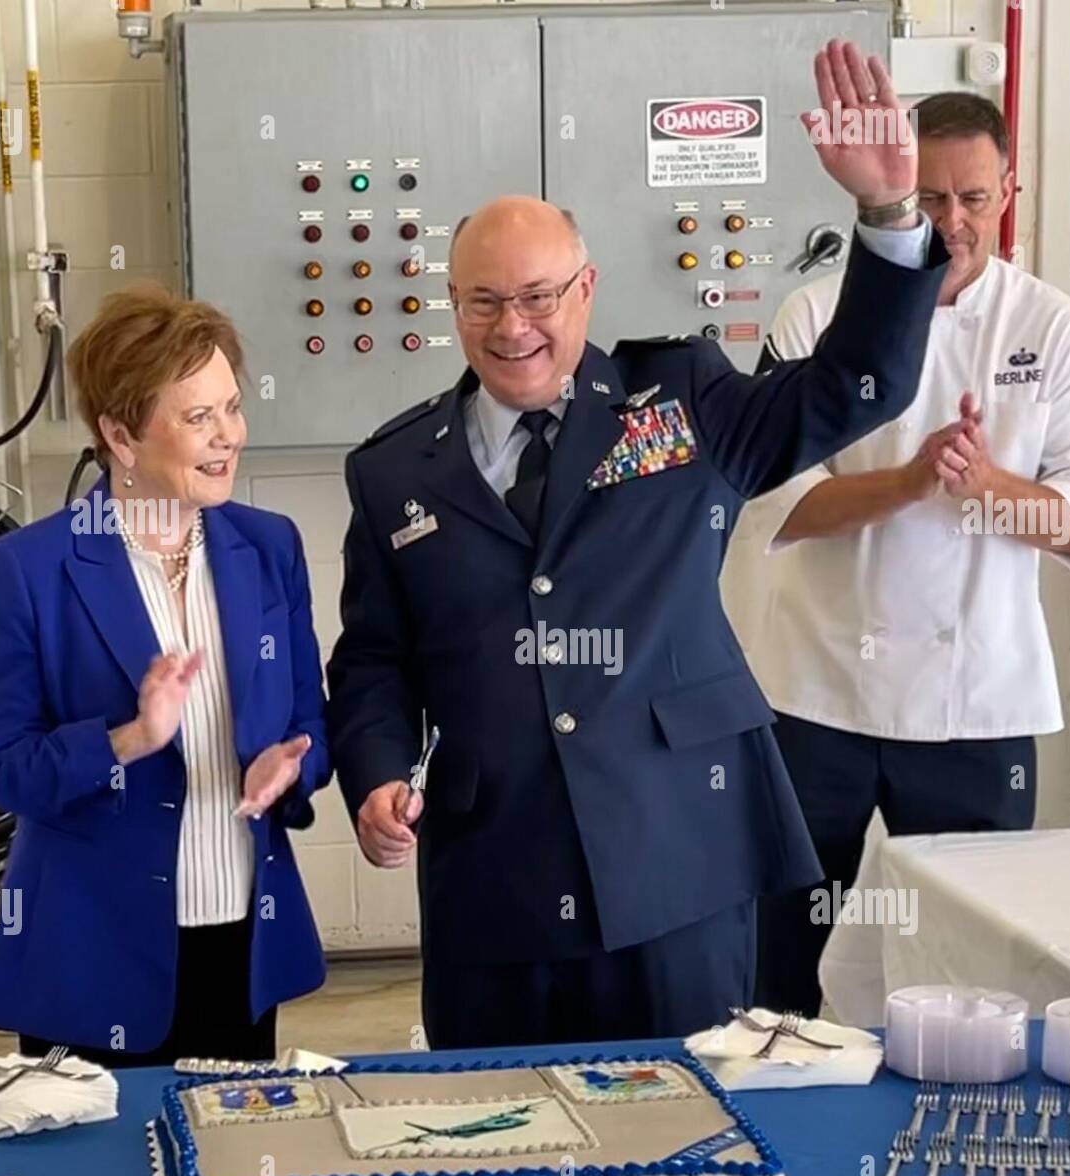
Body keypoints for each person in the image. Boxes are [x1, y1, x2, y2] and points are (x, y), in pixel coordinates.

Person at [328, 41, 951, 1048]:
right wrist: (375, 772)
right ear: (452, 305)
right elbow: (373, 661)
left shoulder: (684, 403)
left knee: (689, 1135)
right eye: (484, 300)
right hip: (495, 879)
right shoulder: (395, 470)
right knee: (500, 1144)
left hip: (678, 856)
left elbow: (853, 388)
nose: (513, 324)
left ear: (586, 290)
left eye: (538, 295)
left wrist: (885, 215)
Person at [744, 93, 1070, 1017]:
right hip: (817, 694)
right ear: (893, 191)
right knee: (782, 945)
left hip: (979, 706)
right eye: (929, 197)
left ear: (1010, 193)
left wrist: (985, 484)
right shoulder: (811, 317)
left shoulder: (1055, 329)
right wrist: (910, 482)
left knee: (978, 966)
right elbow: (774, 509)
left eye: (973, 197)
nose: (952, 222)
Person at [0, 284, 331, 1066]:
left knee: (228, 1170)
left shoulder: (268, 546)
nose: (228, 437)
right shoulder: (27, 569)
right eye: (198, 417)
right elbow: (5, 771)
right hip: (90, 956)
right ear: (121, 434)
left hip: (239, 944)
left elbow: (312, 716)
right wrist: (130, 739)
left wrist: (289, 765)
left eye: (232, 408)